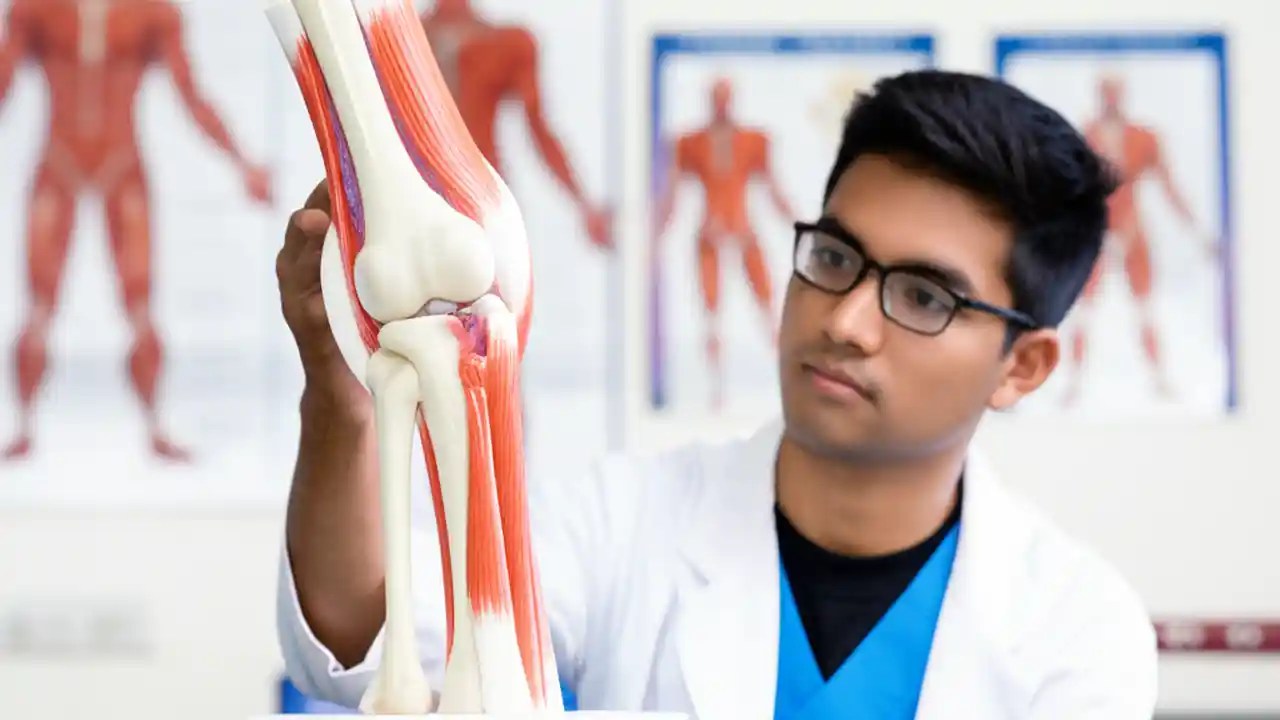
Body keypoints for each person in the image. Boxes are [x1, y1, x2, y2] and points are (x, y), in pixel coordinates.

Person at [274, 70, 1157, 717]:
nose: (846, 320)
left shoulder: (1076, 629)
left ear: (1023, 367)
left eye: (924, 296)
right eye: (836, 257)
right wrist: (341, 393)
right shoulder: (625, 522)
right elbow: (369, 648)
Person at [0, 0, 273, 461]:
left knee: (139, 300)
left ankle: (154, 424)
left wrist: (241, 161)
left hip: (120, 164)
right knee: (40, 302)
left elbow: (191, 94)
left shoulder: (150, 12)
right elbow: (3, 81)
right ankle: (24, 425)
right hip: (60, 161)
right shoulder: (38, 9)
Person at [1062, 73, 1218, 406]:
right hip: (1096, 232)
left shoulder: (1143, 138)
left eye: (1116, 92)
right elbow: (1068, 191)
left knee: (1145, 310)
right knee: (1084, 311)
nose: (1111, 99)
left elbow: (1169, 188)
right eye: (1106, 92)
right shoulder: (1085, 137)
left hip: (1133, 232)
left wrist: (1199, 233)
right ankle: (1073, 383)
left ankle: (1159, 378)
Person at [654, 77, 798, 410]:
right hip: (710, 233)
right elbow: (672, 194)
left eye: (725, 96)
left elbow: (773, 188)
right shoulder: (689, 143)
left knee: (768, 307)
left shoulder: (753, 141)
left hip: (744, 232)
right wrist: (657, 234)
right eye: (715, 96)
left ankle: (786, 383)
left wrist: (799, 221)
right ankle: (716, 389)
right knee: (711, 316)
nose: (721, 103)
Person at [420, 0, 611, 250]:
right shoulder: (394, 39)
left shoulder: (506, 45)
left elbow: (539, 129)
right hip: (419, 199)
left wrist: (583, 204)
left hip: (481, 203)